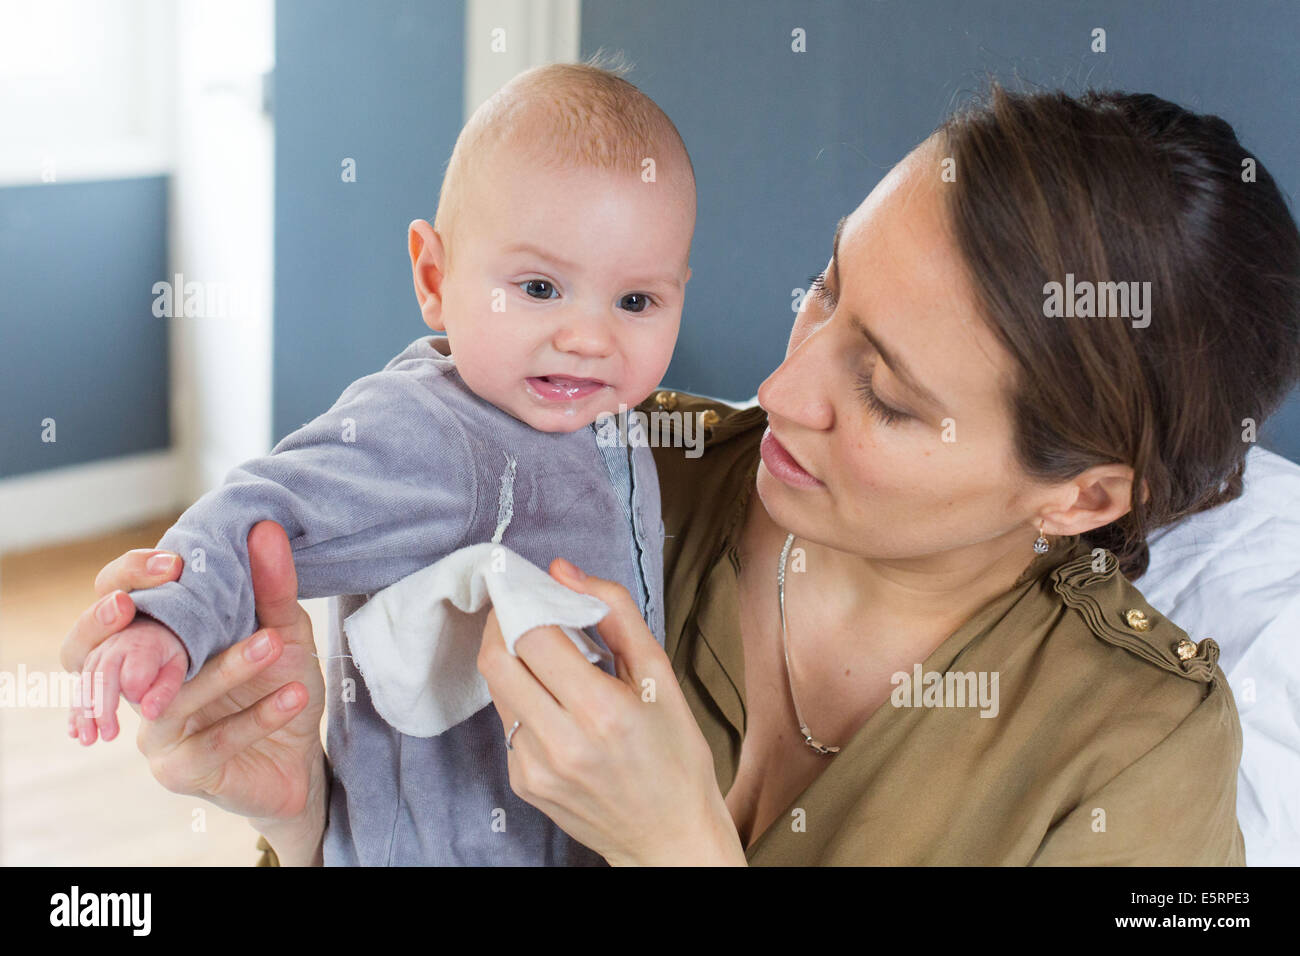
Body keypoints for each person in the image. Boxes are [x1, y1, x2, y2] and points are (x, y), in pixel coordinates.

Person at [64, 84, 1299, 865]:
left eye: (882, 391)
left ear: (1082, 495)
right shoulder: (608, 468)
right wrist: (300, 814)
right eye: (825, 289)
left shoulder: (1139, 753)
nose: (779, 391)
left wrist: (677, 847)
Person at [66, 60, 697, 865]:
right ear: (434, 277)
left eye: (635, 302)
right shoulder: (431, 429)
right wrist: (168, 620)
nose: (589, 337)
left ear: (679, 292)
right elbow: (264, 510)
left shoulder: (611, 424)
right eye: (539, 287)